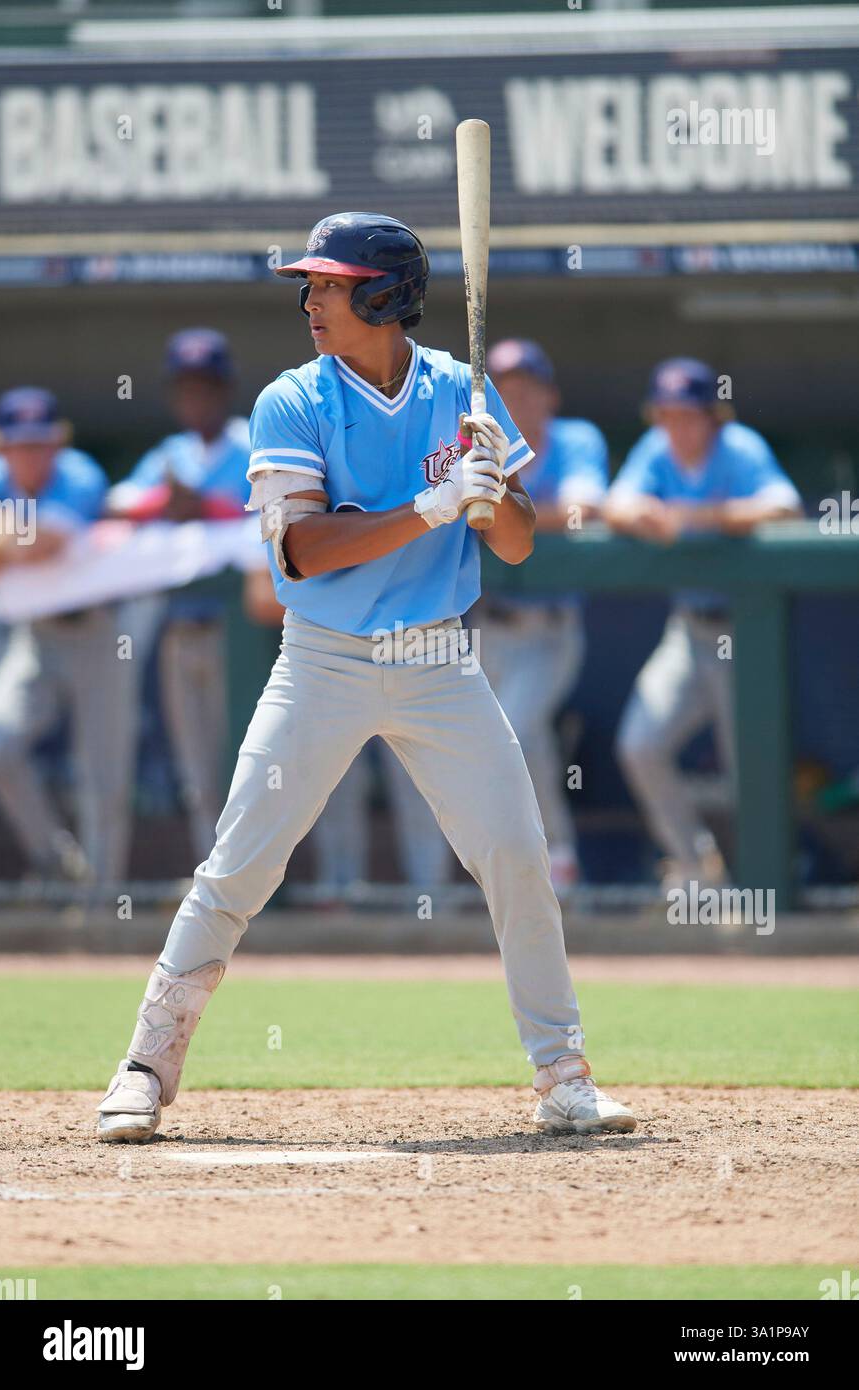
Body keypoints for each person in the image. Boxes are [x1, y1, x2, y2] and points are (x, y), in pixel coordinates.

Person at [95, 212, 636, 1144]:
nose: (312, 299)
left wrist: (490, 487)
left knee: (516, 857)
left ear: (385, 296)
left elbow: (515, 543)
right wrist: (430, 505)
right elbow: (303, 548)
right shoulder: (291, 400)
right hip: (324, 660)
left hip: (438, 658)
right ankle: (145, 1066)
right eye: (311, 284)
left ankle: (562, 1075)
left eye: (333, 284)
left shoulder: (464, 392)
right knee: (238, 867)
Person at [604, 357, 803, 891]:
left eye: (689, 415)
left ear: (714, 417)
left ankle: (772, 885)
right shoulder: (656, 450)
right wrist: (640, 514)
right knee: (640, 744)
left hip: (747, 633)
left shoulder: (739, 448)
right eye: (668, 414)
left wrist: (697, 517)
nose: (678, 426)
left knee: (751, 770)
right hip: (688, 631)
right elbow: (614, 503)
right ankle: (697, 868)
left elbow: (785, 509)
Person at [470, 339, 608, 895]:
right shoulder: (472, 437)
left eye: (528, 386)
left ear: (549, 395)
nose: (517, 397)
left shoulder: (575, 439)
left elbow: (584, 510)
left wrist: (494, 510)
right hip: (485, 627)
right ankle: (501, 871)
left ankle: (560, 861)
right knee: (471, 744)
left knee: (520, 731)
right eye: (505, 387)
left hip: (550, 626)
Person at [108, 329, 251, 862]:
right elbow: (116, 506)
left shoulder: (251, 442)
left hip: (242, 633)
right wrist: (162, 503)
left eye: (207, 386)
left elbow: (280, 511)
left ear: (226, 388)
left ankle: (259, 884)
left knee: (247, 762)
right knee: (197, 773)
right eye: (187, 387)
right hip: (179, 628)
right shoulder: (170, 455)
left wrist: (209, 506)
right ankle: (214, 880)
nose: (198, 397)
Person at [0, 387, 135, 885]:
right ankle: (61, 867)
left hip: (96, 632)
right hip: (35, 636)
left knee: (101, 776)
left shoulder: (80, 474)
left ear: (58, 443)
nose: (31, 455)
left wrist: (5, 534)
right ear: (1, 446)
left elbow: (48, 541)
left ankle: (102, 906)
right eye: (19, 444)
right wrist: (18, 540)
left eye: (40, 443)